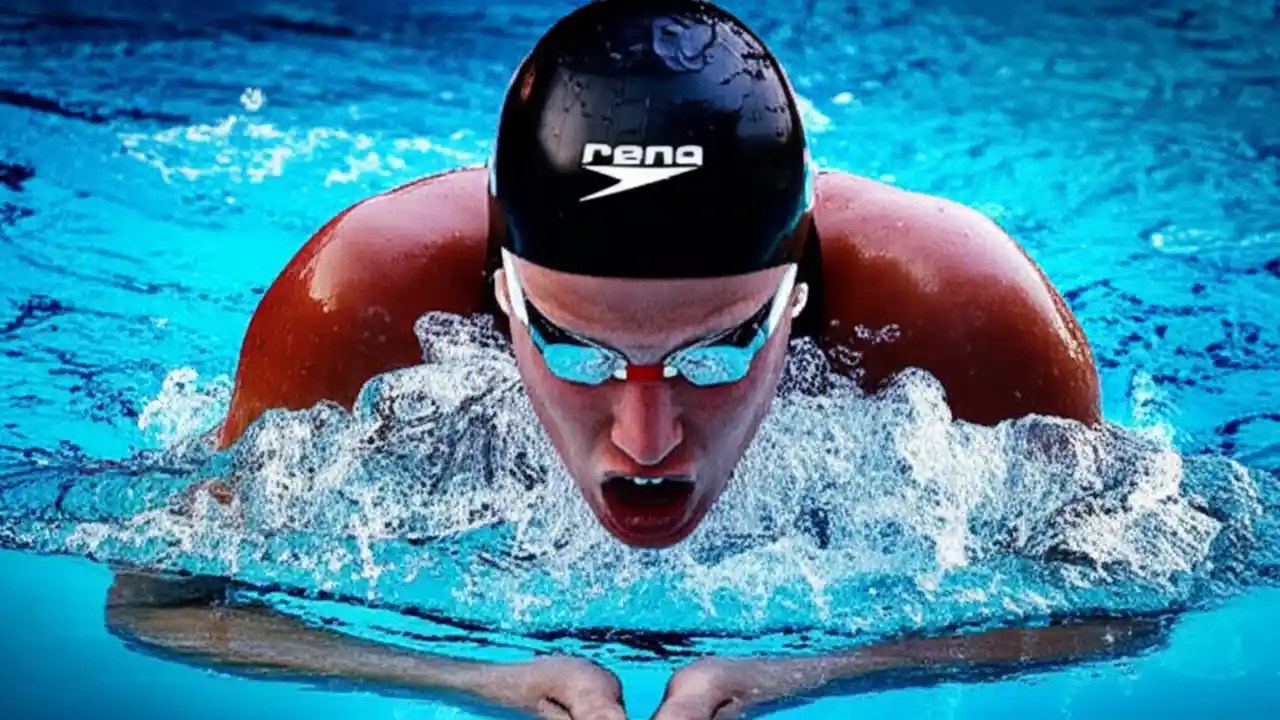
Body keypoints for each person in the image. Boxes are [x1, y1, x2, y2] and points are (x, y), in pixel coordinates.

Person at [106, 1, 1156, 718]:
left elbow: (1123, 597)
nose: (643, 439)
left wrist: (809, 673)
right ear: (500, 297)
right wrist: (474, 681)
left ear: (794, 299)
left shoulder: (962, 316)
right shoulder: (359, 300)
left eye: (720, 350)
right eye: (570, 348)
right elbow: (160, 596)